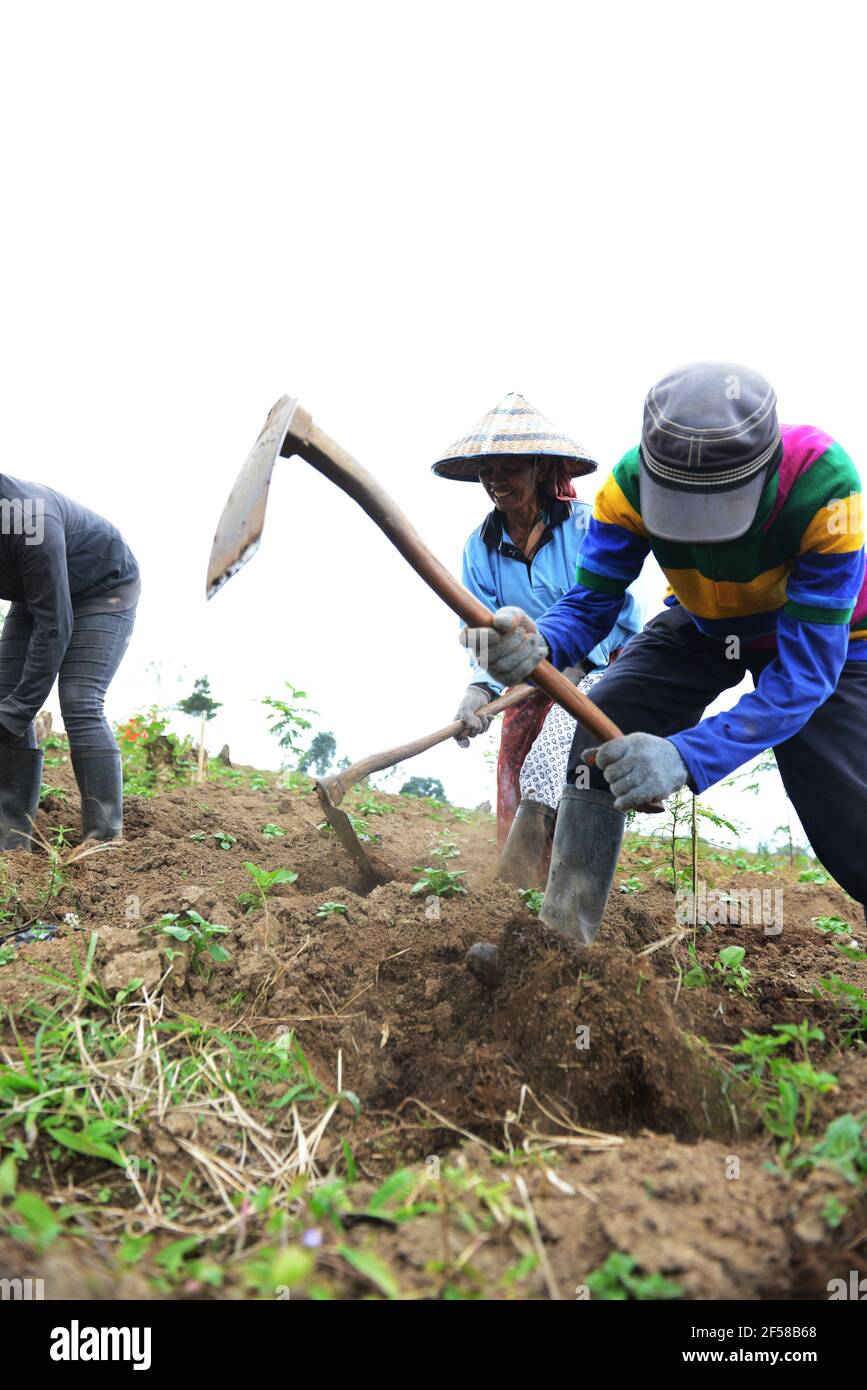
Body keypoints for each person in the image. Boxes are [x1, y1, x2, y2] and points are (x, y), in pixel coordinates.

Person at [458, 362, 866, 974]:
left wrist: (686, 756)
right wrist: (539, 641)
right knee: (601, 723)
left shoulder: (827, 490)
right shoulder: (626, 490)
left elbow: (804, 676)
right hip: (704, 624)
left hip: (824, 639)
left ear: (766, 471)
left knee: (847, 816)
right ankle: (560, 949)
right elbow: (593, 604)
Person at [432, 392, 646, 885]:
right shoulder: (479, 548)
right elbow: (484, 632)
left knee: (551, 758)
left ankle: (558, 887)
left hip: (600, 667)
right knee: (512, 760)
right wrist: (480, 691)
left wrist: (569, 665)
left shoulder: (586, 526)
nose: (495, 481)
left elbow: (612, 605)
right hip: (529, 677)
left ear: (540, 468)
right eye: (487, 470)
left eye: (508, 467)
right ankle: (516, 890)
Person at [0, 475, 140, 848]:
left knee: (80, 698)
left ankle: (104, 839)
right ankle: (11, 844)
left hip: (102, 589)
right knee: (5, 693)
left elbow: (54, 627)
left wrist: (17, 710)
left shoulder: (30, 522)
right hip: (37, 592)